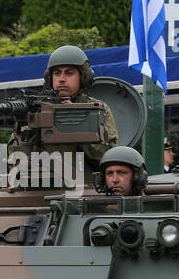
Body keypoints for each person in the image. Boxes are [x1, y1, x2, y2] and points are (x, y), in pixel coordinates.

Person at [9, 45, 118, 180]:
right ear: (50, 78)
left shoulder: (97, 110)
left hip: (83, 189)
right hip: (40, 188)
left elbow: (108, 156)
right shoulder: (36, 109)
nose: (61, 78)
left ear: (83, 77)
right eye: (57, 73)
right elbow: (14, 155)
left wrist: (76, 121)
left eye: (69, 73)